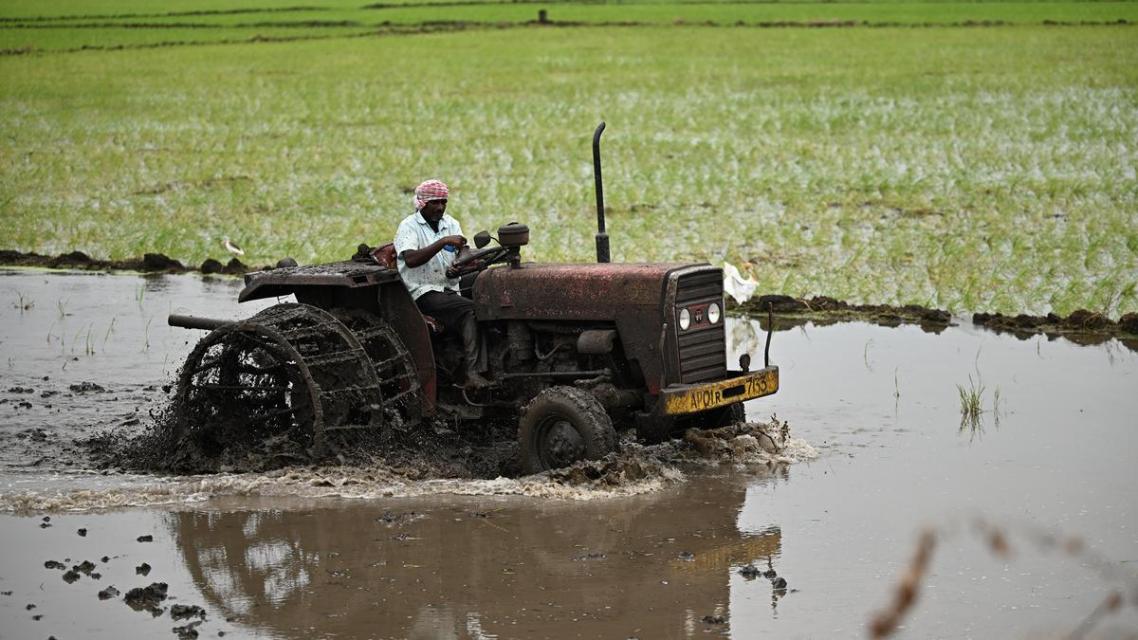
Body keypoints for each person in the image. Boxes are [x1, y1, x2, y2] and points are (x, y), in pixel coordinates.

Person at [394, 179, 492, 389]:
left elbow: (462, 248)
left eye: (443, 202)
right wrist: (443, 243)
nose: (440, 207)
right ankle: (473, 372)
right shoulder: (409, 227)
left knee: (491, 287)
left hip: (448, 285)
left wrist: (459, 262)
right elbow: (410, 260)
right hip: (422, 291)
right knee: (471, 311)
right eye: (435, 203)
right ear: (422, 203)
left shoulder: (450, 223)